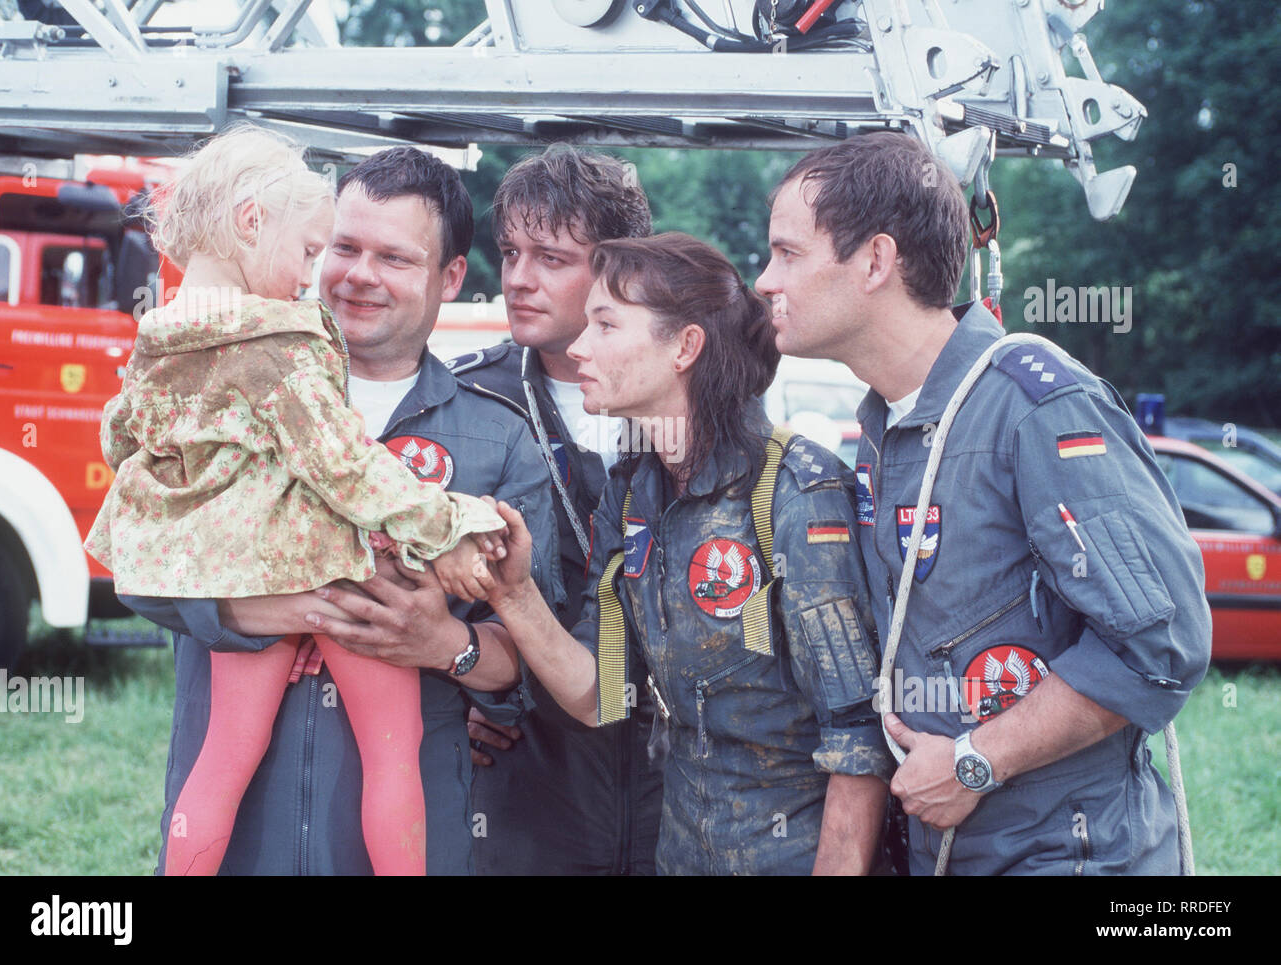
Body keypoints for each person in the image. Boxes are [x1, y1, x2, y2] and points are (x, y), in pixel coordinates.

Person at [754, 132, 1211, 874]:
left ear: (875, 261)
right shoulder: (885, 427)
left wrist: (976, 760)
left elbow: (1161, 645)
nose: (765, 281)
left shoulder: (1036, 406)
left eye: (787, 253)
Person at [120, 142, 559, 876]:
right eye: (339, 247)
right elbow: (138, 568)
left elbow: (536, 662)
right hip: (249, 851)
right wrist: (296, 608)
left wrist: (442, 640)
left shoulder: (499, 437)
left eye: (393, 257)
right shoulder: (229, 373)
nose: (356, 274)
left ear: (451, 277)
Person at [472, 232, 893, 875]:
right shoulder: (634, 493)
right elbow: (603, 694)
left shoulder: (798, 492)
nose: (579, 348)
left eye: (605, 325)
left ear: (686, 347)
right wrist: (514, 594)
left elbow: (858, 737)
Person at [446, 144, 663, 875]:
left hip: (674, 787)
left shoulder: (686, 403)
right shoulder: (465, 404)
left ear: (615, 268)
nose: (516, 278)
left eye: (549, 257)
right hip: (524, 790)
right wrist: (452, 690)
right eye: (509, 251)